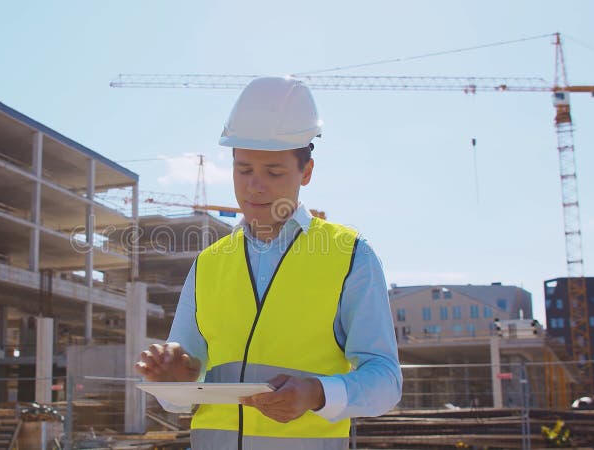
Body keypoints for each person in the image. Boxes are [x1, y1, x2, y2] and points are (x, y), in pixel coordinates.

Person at [135, 76, 402, 450]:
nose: (254, 186)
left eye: (273, 172)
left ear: (305, 172)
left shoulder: (350, 255)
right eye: (243, 170)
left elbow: (386, 380)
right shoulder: (209, 264)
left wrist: (317, 393)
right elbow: (183, 392)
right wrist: (175, 381)